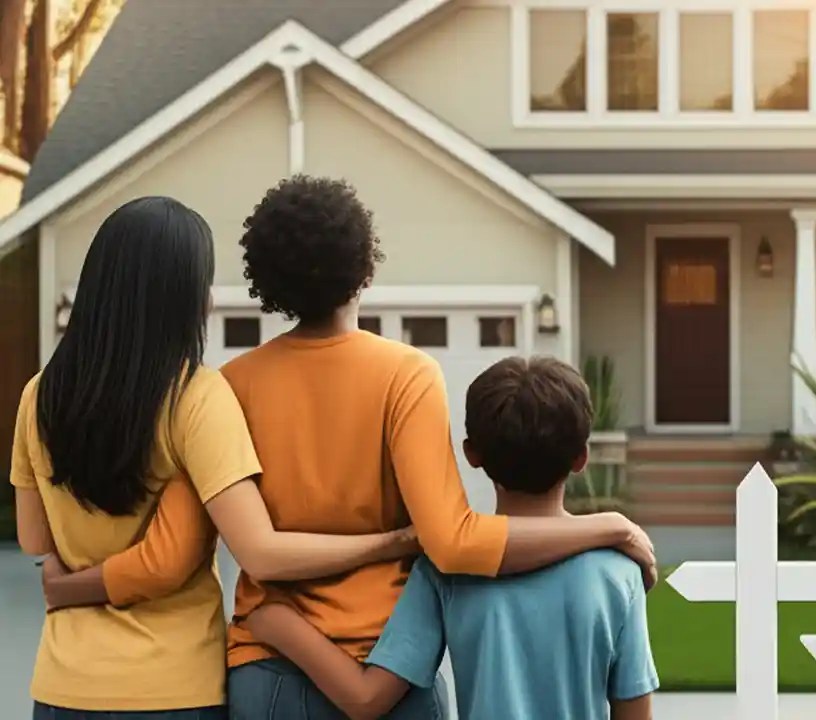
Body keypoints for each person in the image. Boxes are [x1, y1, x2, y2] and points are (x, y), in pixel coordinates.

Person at [47, 176, 657, 718]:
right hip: (385, 664)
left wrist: (71, 584)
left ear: (271, 283)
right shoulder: (406, 375)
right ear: (365, 270)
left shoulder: (229, 388)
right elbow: (450, 540)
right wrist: (610, 527)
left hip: (266, 666)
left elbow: (173, 551)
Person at [11, 196, 421, 719]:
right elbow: (257, 552)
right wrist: (392, 542)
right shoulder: (195, 398)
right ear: (182, 297)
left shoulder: (37, 396)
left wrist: (69, 585)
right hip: (173, 688)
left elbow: (35, 540)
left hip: (62, 687)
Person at [246, 356, 659, 720]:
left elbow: (366, 700)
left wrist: (278, 623)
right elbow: (634, 710)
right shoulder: (619, 572)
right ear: (581, 458)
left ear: (471, 454)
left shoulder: (447, 570)